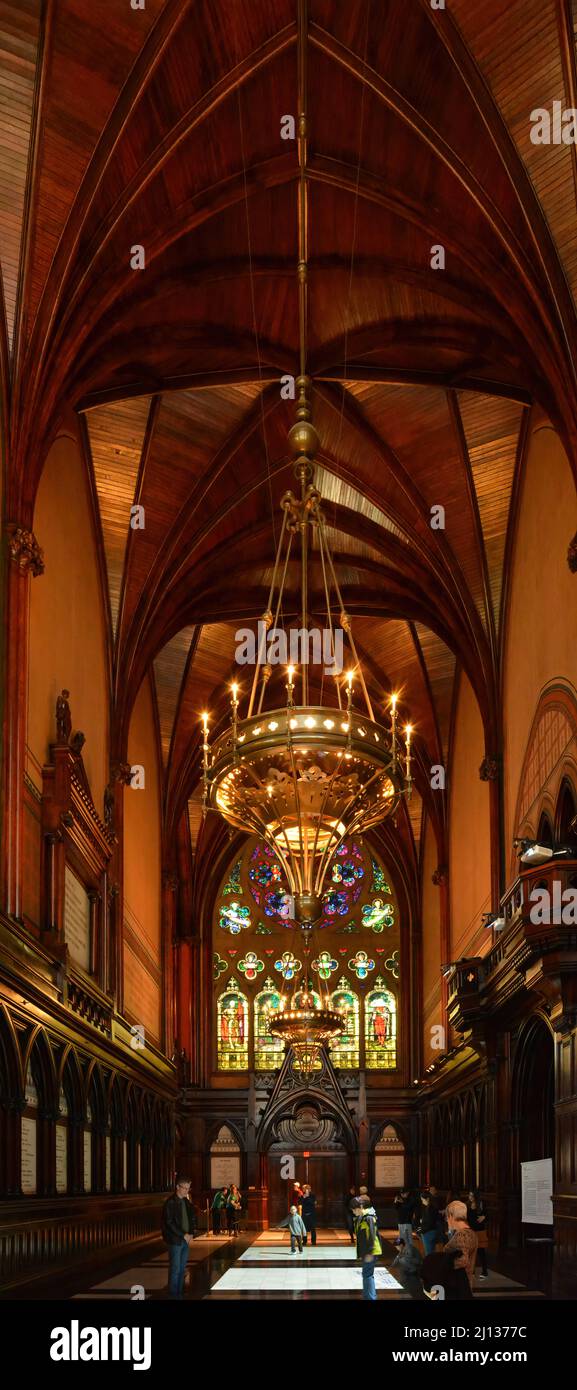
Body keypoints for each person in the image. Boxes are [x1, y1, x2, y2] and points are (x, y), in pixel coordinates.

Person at [161, 1174, 197, 1299]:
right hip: (176, 1240)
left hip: (186, 1240)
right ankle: (173, 1294)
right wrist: (184, 1234)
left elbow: (191, 1218)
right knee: (175, 1269)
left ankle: (179, 1293)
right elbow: (169, 1223)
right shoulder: (170, 1202)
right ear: (177, 1187)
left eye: (188, 1188)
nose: (187, 1191)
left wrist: (192, 1232)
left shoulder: (186, 1202)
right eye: (185, 1188)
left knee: (182, 1269)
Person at [352, 1196, 382, 1301]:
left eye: (354, 1209)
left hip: (371, 1251)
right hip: (367, 1252)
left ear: (360, 1207)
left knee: (368, 1275)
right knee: (367, 1274)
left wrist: (369, 1252)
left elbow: (372, 1236)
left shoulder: (368, 1217)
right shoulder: (361, 1218)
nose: (353, 1211)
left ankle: (370, 1297)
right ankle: (368, 1296)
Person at [444, 1200, 478, 1290]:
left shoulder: (462, 1234)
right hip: (464, 1282)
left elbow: (463, 1261)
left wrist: (442, 1266)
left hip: (458, 1284)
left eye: (447, 1217)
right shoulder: (470, 1232)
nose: (447, 1220)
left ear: (451, 1216)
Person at [467, 1189, 489, 1279]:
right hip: (471, 1231)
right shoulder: (467, 1204)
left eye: (472, 1195)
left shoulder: (481, 1204)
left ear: (476, 1196)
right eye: (469, 1195)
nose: (470, 1197)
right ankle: (471, 1271)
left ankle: (485, 1272)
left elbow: (487, 1215)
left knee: (481, 1252)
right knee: (470, 1252)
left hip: (480, 1232)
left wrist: (485, 1217)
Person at [417, 1191, 438, 1256]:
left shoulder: (430, 1208)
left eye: (422, 1200)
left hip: (428, 1233)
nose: (422, 1201)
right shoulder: (430, 1207)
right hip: (430, 1231)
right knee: (431, 1252)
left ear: (427, 1199)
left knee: (429, 1253)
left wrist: (421, 1230)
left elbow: (430, 1223)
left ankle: (430, 1265)